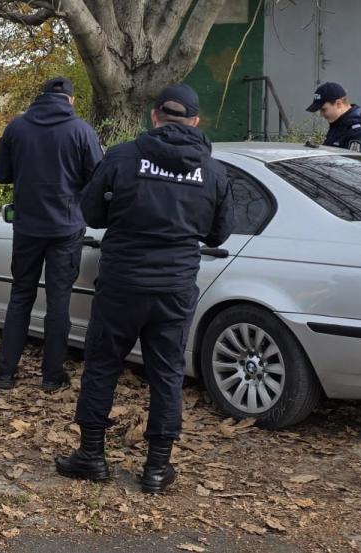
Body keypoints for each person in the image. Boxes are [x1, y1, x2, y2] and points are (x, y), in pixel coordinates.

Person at [56, 84, 232, 494]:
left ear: (154, 116)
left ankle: (92, 455)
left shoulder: (122, 157)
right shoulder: (213, 171)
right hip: (174, 287)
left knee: (102, 364)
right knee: (167, 373)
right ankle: (156, 468)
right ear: (194, 121)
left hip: (121, 282)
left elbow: (91, 213)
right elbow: (219, 232)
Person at [0, 76, 103, 392]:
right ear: (70, 100)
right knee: (58, 302)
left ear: (40, 97)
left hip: (27, 227)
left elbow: (1, 174)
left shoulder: (17, 127)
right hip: (66, 229)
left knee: (20, 296)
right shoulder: (81, 131)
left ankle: (5, 374)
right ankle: (52, 377)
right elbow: (98, 177)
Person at [306, 81, 361, 156]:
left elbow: (354, 166)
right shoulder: (339, 125)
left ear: (338, 104)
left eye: (324, 109)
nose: (321, 115)